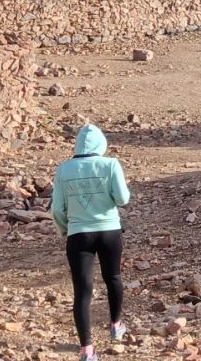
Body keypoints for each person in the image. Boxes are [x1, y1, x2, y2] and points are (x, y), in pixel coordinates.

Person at [51, 124, 131, 360]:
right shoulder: (110, 165)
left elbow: (57, 208)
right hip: (109, 231)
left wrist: (66, 229)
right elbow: (123, 198)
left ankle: (87, 349)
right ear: (101, 144)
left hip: (78, 235)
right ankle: (116, 325)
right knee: (113, 277)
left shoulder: (64, 169)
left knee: (82, 291)